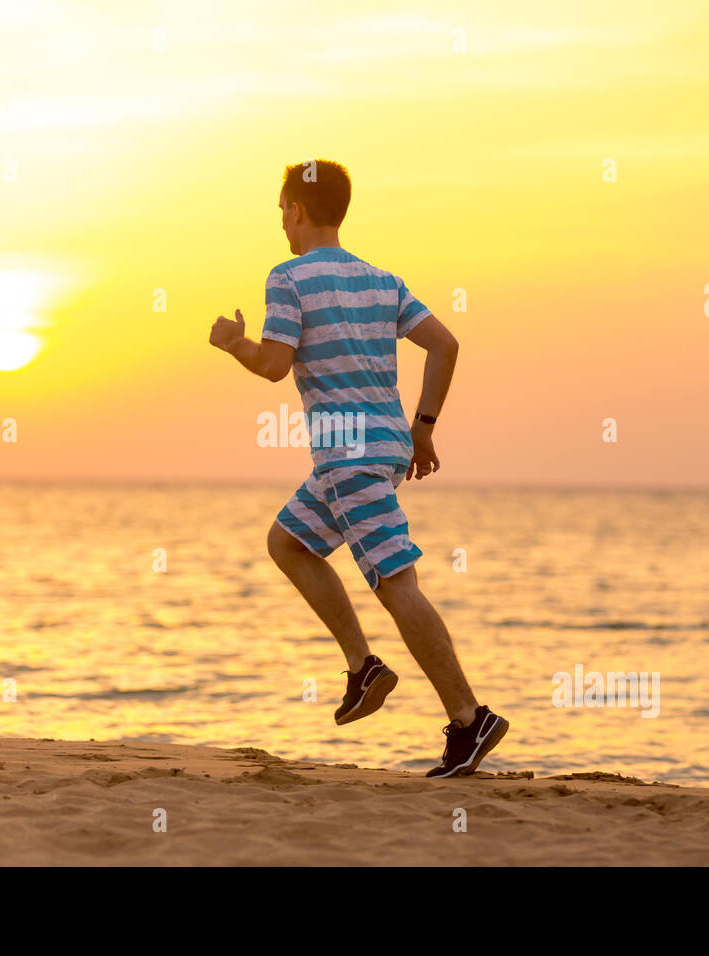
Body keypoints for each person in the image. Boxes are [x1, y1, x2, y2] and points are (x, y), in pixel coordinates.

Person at [208, 159, 508, 777]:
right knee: (287, 543)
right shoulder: (380, 280)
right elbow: (445, 345)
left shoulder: (288, 277)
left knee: (396, 582)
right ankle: (363, 667)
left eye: (281, 213)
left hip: (349, 454)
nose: (282, 226)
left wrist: (233, 343)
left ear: (294, 210)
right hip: (384, 445)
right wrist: (422, 428)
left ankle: (468, 718)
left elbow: (273, 365)